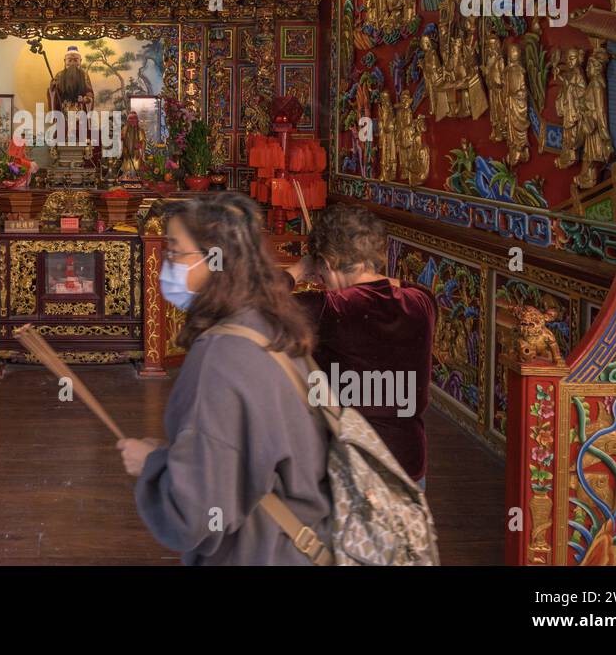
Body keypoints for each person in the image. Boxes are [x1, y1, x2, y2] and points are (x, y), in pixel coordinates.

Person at [116, 193, 332, 565]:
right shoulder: (269, 327)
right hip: (300, 542)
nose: (167, 265)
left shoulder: (222, 356)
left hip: (260, 552)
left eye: (176, 251)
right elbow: (245, 453)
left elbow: (197, 514)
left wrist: (152, 464)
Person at [284, 204, 435, 488]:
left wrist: (301, 268)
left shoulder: (329, 309)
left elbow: (253, 304)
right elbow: (393, 289)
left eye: (323, 272)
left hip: (351, 466)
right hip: (408, 461)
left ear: (327, 263)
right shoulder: (423, 301)